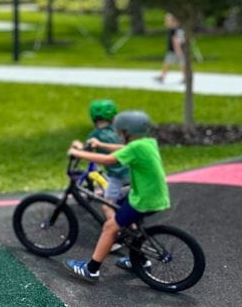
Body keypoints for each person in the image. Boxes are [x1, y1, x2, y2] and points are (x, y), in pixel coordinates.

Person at [65, 110, 170, 281]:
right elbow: (124, 149)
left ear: (128, 132)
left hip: (143, 199)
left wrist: (78, 153)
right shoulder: (147, 143)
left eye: (120, 132)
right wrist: (100, 144)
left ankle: (91, 269)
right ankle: (139, 259)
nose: (119, 136)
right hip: (154, 195)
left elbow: (109, 160)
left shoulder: (136, 147)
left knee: (110, 226)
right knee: (120, 210)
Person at [84, 99, 130, 205]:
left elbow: (87, 152)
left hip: (117, 177)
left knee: (108, 204)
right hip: (132, 173)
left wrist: (79, 148)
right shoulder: (119, 131)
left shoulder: (94, 136)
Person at [154, 13, 186, 83]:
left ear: (173, 21)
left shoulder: (174, 30)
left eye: (167, 20)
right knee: (181, 63)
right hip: (176, 50)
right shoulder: (176, 28)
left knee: (169, 63)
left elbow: (176, 40)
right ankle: (185, 77)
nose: (166, 22)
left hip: (173, 50)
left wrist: (178, 50)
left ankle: (162, 77)